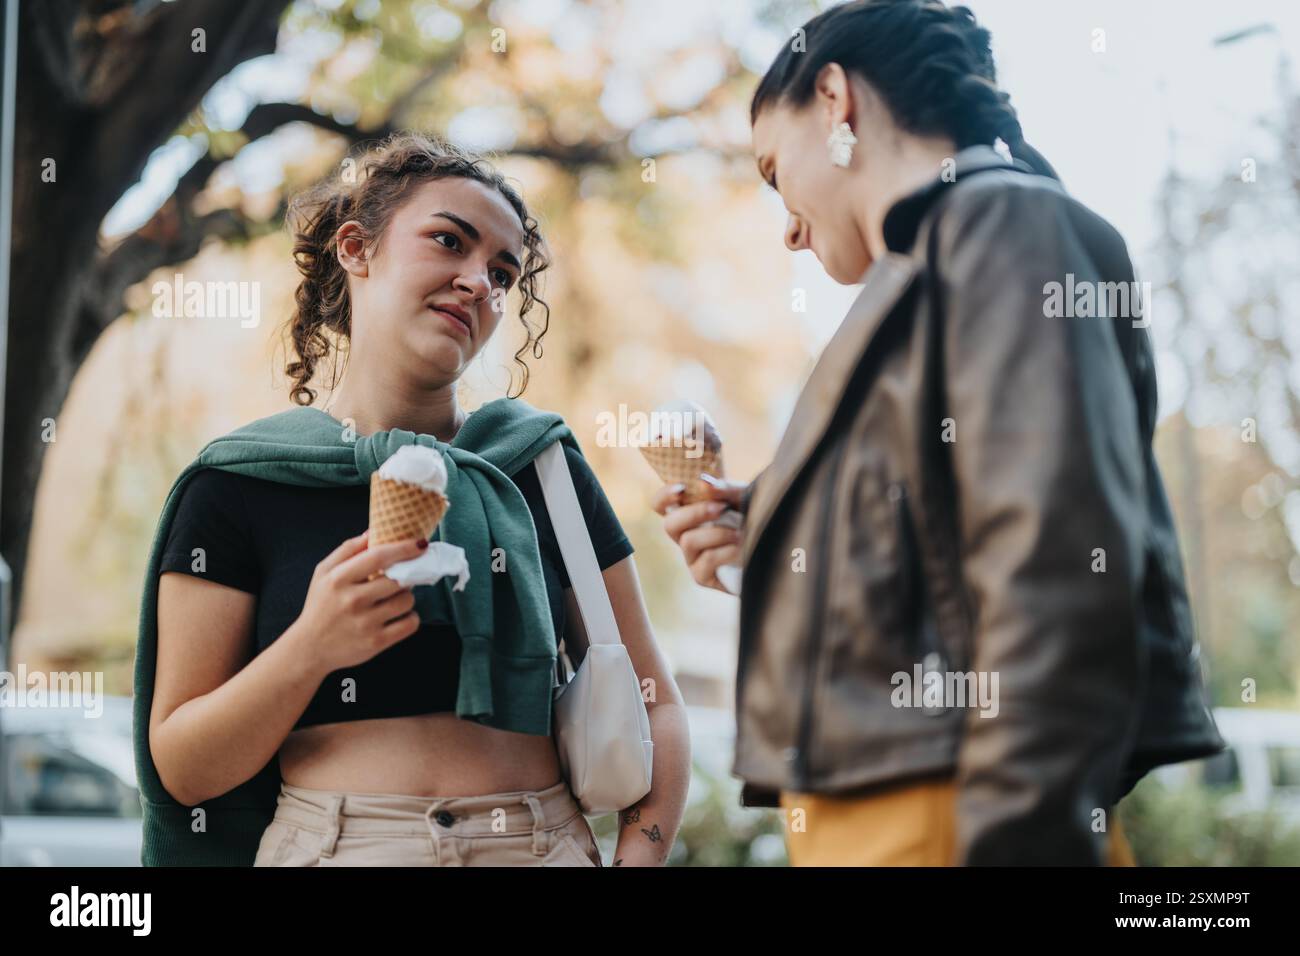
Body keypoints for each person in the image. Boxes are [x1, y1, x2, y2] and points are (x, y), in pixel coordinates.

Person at [653, 0, 1224, 865]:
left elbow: (1055, 560)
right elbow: (941, 551)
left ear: (837, 99)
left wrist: (1019, 838)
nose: (788, 226)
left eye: (776, 171)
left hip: (953, 823)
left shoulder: (1003, 225)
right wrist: (764, 528)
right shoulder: (930, 271)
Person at [138, 132, 689, 867]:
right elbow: (183, 765)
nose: (478, 282)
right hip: (337, 847)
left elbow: (657, 699)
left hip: (539, 844)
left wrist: (642, 856)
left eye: (502, 272)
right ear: (356, 249)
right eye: (448, 241)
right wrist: (312, 646)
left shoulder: (543, 469)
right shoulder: (240, 483)